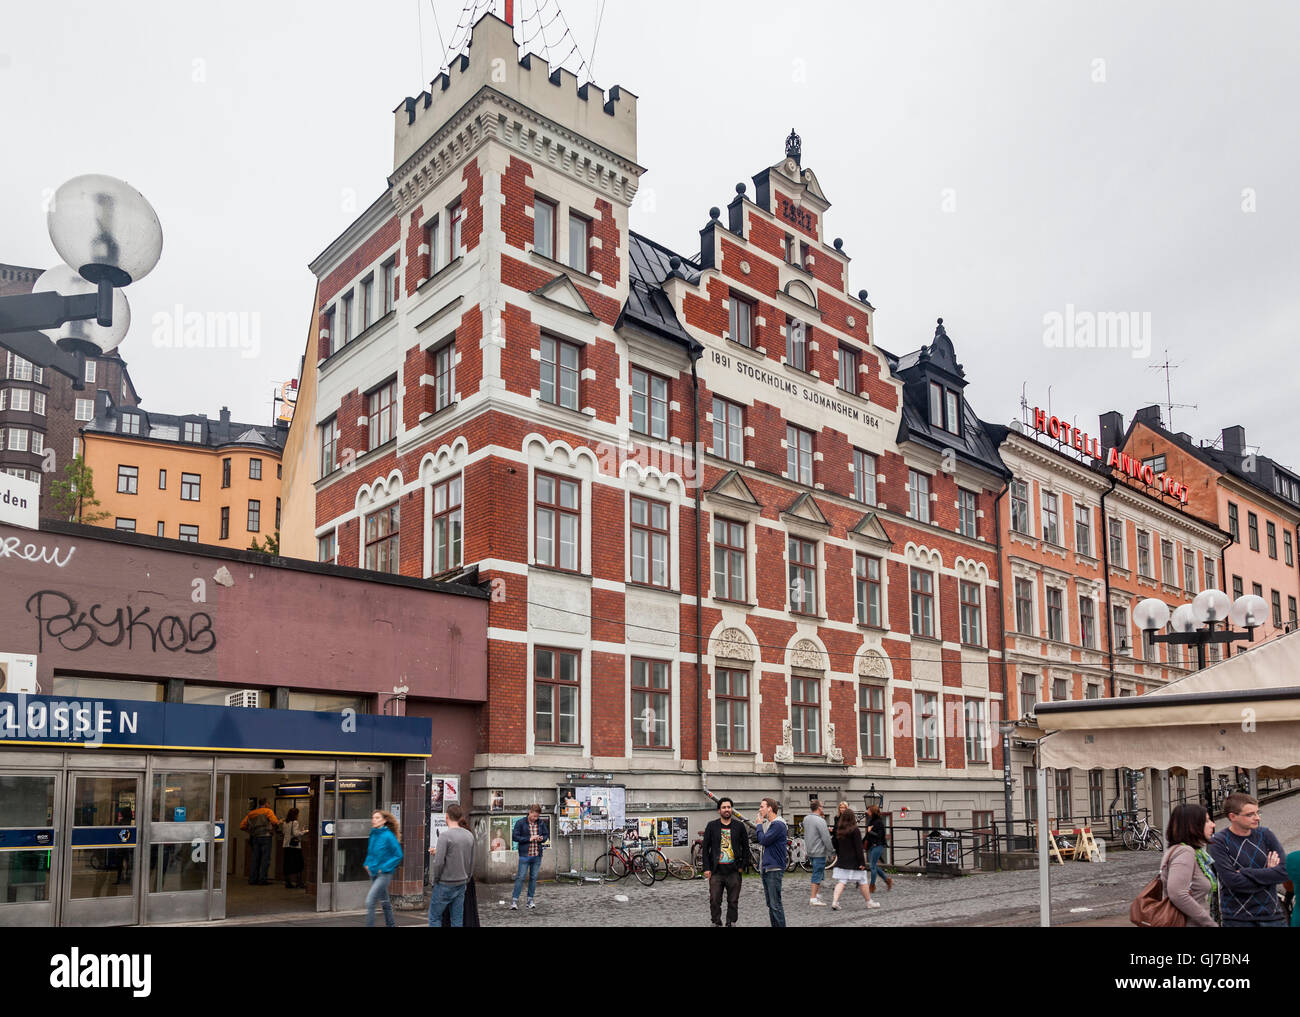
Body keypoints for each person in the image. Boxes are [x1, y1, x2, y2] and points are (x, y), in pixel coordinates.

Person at [1207, 793, 1289, 927]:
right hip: (1237, 918)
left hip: (1272, 915)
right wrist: (1268, 874)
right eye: (1250, 814)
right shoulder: (1218, 842)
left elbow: (1284, 872)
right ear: (1233, 816)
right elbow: (1233, 882)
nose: (1257, 818)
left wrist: (1246, 872)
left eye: (1258, 812)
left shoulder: (1265, 834)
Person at [1159, 803, 1218, 927]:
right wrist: (1209, 922)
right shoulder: (1185, 852)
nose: (1213, 824)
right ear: (1193, 826)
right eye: (1207, 821)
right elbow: (1177, 893)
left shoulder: (1192, 853)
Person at [701, 796, 750, 927]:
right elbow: (705, 848)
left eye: (729, 807)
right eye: (724, 807)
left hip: (734, 870)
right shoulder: (712, 826)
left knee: (733, 900)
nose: (726, 809)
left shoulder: (739, 826)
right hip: (716, 870)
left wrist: (742, 866)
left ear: (731, 810)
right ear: (719, 810)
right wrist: (706, 868)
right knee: (714, 899)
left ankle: (731, 922)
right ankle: (716, 922)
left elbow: (746, 847)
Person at [428, 804, 475, 927]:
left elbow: (438, 862)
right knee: (457, 919)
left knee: (435, 917)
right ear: (460, 817)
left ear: (447, 816)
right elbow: (472, 860)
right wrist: (467, 878)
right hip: (461, 882)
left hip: (445, 883)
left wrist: (435, 879)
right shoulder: (469, 835)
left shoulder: (445, 836)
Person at [830, 807, 880, 911]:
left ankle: (835, 901)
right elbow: (859, 848)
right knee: (863, 880)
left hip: (843, 860)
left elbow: (835, 843)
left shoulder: (839, 830)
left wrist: (839, 854)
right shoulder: (855, 830)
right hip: (854, 861)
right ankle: (869, 902)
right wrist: (862, 862)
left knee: (841, 881)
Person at [363, 810, 403, 928]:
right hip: (374, 873)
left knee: (370, 901)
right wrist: (367, 864)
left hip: (384, 874)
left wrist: (384, 867)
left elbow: (398, 855)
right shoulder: (373, 833)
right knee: (385, 902)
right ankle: (391, 925)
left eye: (377, 818)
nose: (374, 820)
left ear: (384, 821)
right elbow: (371, 852)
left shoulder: (388, 836)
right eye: (373, 817)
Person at [754, 797, 788, 927]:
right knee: (771, 904)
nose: (760, 809)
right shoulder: (770, 824)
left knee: (775, 904)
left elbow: (763, 840)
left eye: (762, 806)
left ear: (770, 808)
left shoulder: (778, 825)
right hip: (767, 868)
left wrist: (758, 824)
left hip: (774, 868)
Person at [511, 804, 548, 911]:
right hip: (524, 855)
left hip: (537, 855)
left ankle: (530, 900)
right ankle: (514, 901)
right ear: (530, 812)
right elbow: (515, 837)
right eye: (534, 816)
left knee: (533, 878)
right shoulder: (521, 822)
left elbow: (546, 835)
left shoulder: (540, 823)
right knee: (520, 877)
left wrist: (542, 838)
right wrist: (529, 838)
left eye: (537, 816)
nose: (535, 818)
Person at [239, 798, 281, 885]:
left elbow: (242, 826)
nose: (269, 805)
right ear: (265, 804)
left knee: (255, 859)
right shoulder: (268, 811)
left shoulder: (251, 813)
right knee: (265, 859)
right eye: (268, 804)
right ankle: (263, 879)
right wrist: (275, 827)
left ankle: (253, 879)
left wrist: (250, 831)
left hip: (255, 837)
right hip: (266, 837)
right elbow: (275, 822)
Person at [803, 800, 832, 906]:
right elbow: (826, 838)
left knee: (819, 873)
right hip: (819, 851)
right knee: (817, 874)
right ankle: (813, 898)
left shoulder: (806, 819)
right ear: (819, 808)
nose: (823, 808)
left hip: (810, 850)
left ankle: (817, 895)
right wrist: (831, 851)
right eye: (822, 806)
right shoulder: (820, 821)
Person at [865, 804, 893, 892]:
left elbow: (880, 836)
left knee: (872, 866)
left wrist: (870, 831)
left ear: (872, 812)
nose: (867, 812)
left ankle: (872, 886)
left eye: (869, 811)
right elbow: (867, 836)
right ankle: (887, 880)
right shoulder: (870, 821)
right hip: (870, 846)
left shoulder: (879, 822)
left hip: (878, 846)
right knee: (874, 866)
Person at [282, 807, 306, 890]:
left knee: (287, 864)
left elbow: (284, 832)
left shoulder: (285, 822)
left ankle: (288, 882)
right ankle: (299, 882)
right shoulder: (295, 822)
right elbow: (295, 833)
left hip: (286, 845)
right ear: (295, 814)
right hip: (294, 846)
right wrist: (303, 832)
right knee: (299, 864)